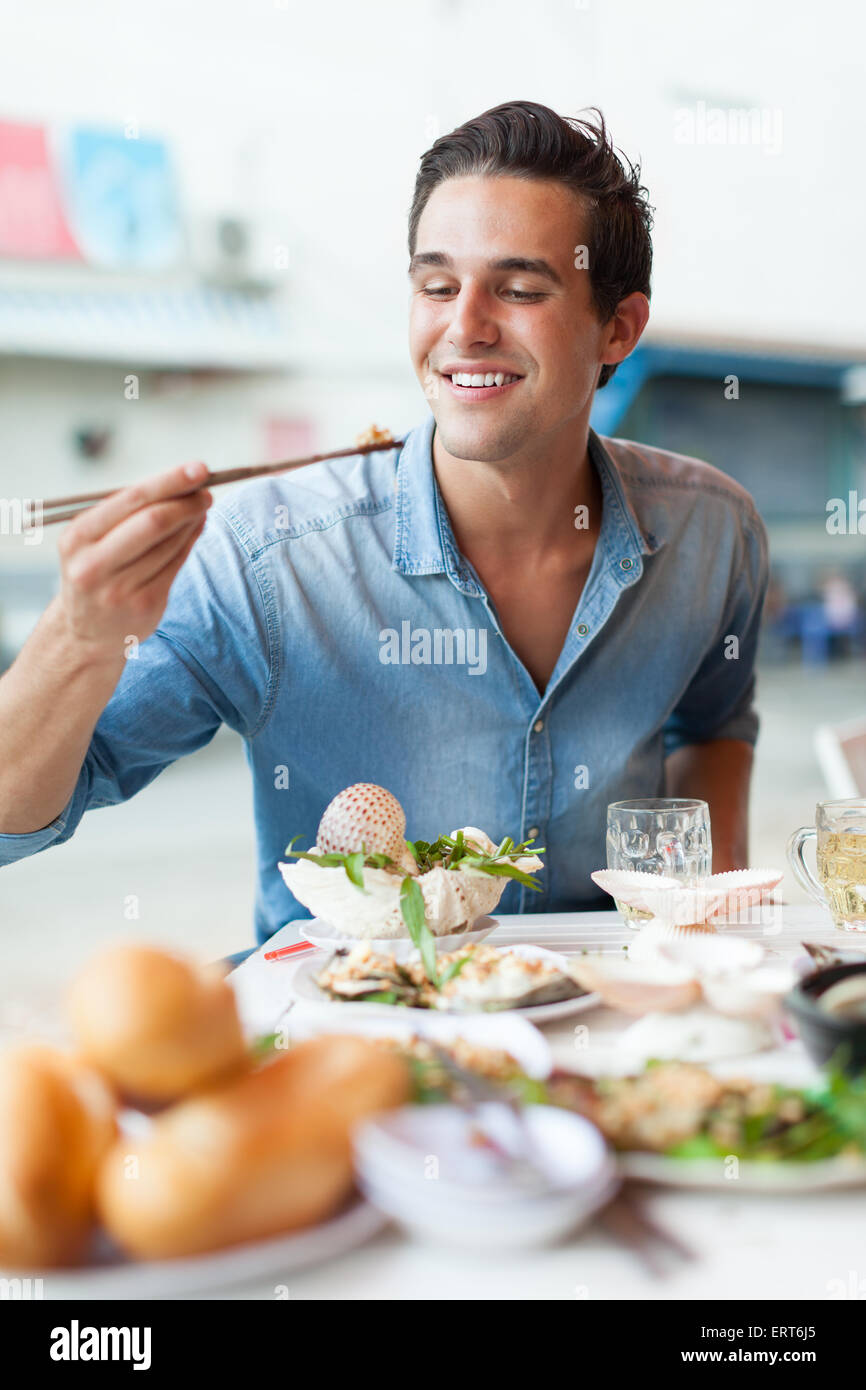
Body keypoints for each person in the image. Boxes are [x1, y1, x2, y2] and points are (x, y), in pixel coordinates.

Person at [0, 101, 768, 944]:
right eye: (436, 286)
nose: (463, 328)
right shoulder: (267, 556)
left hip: (610, 1037)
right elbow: (18, 817)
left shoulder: (712, 533)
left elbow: (714, 725)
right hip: (355, 1038)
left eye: (517, 290)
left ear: (617, 328)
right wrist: (78, 635)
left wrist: (712, 928)